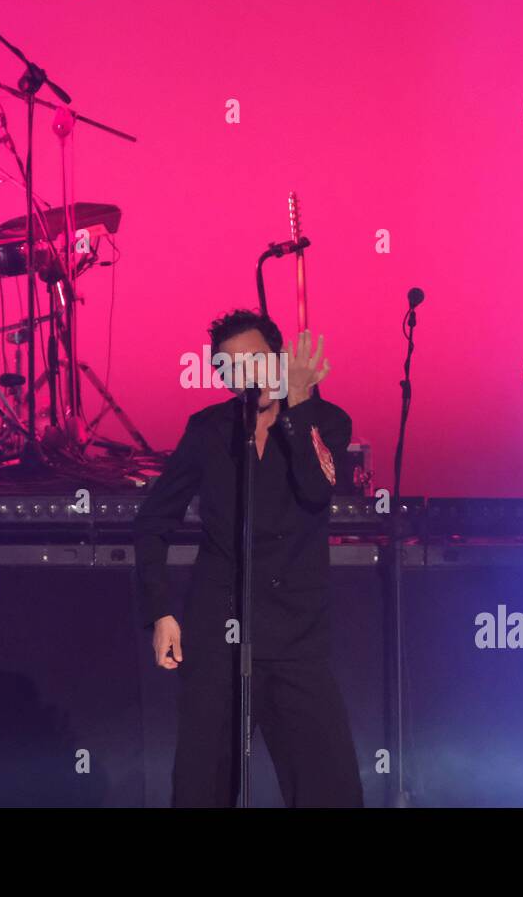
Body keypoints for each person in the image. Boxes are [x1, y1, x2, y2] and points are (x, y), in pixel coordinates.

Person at [134, 309, 364, 807]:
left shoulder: (327, 420)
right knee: (201, 786)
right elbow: (153, 521)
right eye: (231, 365)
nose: (247, 372)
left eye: (255, 358)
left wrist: (298, 405)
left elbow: (313, 489)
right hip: (219, 633)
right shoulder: (210, 429)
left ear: (278, 357)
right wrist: (160, 611)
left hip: (296, 637)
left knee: (329, 787)